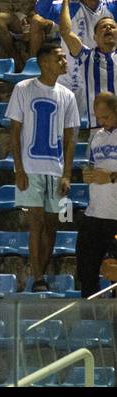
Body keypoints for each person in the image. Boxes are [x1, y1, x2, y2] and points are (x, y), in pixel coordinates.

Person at [6, 43, 79, 292]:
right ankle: (37, 277)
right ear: (44, 62)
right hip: (30, 167)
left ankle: (42, 273)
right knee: (35, 223)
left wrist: (67, 173)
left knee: (51, 224)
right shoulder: (23, 89)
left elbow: (71, 138)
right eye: (59, 58)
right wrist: (18, 169)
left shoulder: (67, 95)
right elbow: (14, 133)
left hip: (56, 170)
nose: (64, 61)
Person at [57, 0, 117, 128]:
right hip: (97, 129)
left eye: (112, 27)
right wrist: (65, 0)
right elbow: (65, 32)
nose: (108, 28)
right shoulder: (86, 56)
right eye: (103, 27)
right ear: (95, 37)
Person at [78, 91, 117, 296]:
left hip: (115, 217)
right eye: (98, 117)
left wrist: (110, 177)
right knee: (86, 272)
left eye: (106, 117)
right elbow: (94, 166)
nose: (102, 122)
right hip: (93, 215)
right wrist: (89, 175)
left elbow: (108, 174)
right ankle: (89, 323)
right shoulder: (97, 137)